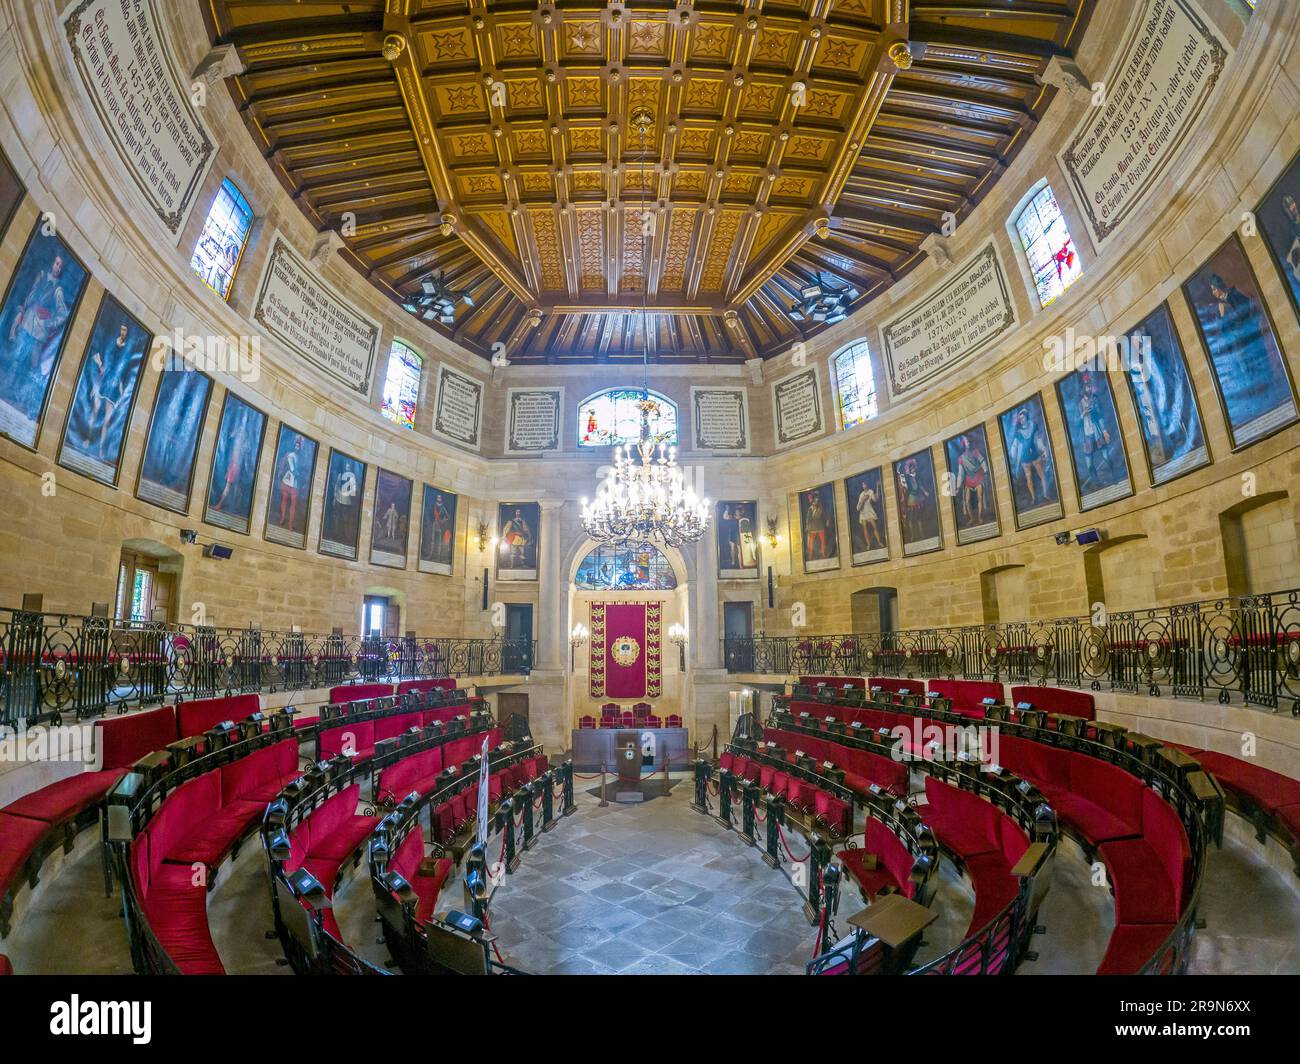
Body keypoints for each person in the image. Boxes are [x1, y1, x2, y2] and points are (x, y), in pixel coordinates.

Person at [8, 250, 72, 407]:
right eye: (56, 263)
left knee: (31, 364)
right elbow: (30, 294)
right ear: (52, 263)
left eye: (60, 266)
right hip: (27, 323)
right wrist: (22, 311)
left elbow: (63, 313)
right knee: (17, 356)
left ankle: (19, 395)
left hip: (39, 333)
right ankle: (7, 386)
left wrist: (49, 322)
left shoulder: (58, 289)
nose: (58, 267)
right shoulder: (42, 275)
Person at [1008, 405, 1049, 506]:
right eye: (1020, 418)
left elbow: (1038, 439)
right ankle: (1034, 498)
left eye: (1023, 417)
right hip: (1024, 458)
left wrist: (1043, 449)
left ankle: (1045, 494)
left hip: (1034, 454)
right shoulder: (1018, 432)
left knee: (1042, 475)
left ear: (1027, 417)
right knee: (1029, 478)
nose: (1021, 420)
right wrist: (1013, 456)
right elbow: (1014, 446)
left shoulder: (1033, 425)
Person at [953, 434, 990, 525]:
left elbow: (983, 462)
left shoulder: (976, 452)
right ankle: (972, 518)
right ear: (964, 443)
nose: (968, 442)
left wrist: (985, 471)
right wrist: (958, 487)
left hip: (978, 477)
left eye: (969, 441)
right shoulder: (961, 458)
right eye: (966, 441)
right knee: (967, 501)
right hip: (969, 480)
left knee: (980, 498)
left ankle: (980, 517)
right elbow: (961, 474)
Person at [275, 435, 303, 530]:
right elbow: (292, 469)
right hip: (288, 480)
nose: (297, 447)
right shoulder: (290, 455)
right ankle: (282, 518)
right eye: (296, 445)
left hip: (295, 483)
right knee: (284, 500)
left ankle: (290, 524)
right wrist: (296, 473)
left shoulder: (301, 457)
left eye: (298, 446)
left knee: (293, 504)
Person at [855, 478, 883, 551]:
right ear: (862, 486)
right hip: (863, 513)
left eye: (865, 484)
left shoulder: (870, 491)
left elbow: (876, 499)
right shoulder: (861, 495)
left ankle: (879, 542)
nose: (864, 485)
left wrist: (877, 487)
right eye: (863, 484)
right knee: (865, 529)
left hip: (869, 511)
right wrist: (863, 500)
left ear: (867, 484)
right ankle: (868, 544)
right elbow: (858, 508)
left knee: (875, 527)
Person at [803, 491, 831, 560]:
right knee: (811, 542)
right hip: (812, 527)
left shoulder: (820, 507)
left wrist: (827, 520)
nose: (815, 501)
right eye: (814, 499)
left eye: (816, 499)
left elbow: (825, 514)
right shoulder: (810, 509)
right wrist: (807, 526)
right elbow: (808, 519)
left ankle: (823, 554)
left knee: (823, 541)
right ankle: (810, 555)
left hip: (820, 526)